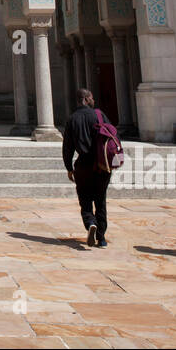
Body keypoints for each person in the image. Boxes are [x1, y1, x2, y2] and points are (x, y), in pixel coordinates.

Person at [62, 89, 118, 248]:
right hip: (102, 165)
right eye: (91, 97)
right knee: (100, 200)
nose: (93, 99)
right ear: (86, 99)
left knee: (85, 199)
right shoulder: (99, 115)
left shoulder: (72, 119)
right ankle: (101, 238)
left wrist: (68, 167)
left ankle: (90, 222)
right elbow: (113, 137)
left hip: (83, 165)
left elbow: (68, 147)